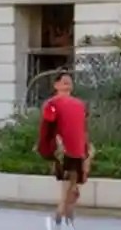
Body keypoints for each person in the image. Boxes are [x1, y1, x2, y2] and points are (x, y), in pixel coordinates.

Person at [37, 70, 91, 230]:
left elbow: (84, 128)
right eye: (64, 81)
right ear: (56, 85)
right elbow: (47, 127)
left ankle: (63, 217)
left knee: (74, 188)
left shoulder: (80, 104)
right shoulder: (52, 104)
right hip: (64, 149)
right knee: (68, 185)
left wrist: (87, 148)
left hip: (79, 149)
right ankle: (62, 218)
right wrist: (48, 146)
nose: (68, 83)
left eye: (69, 81)